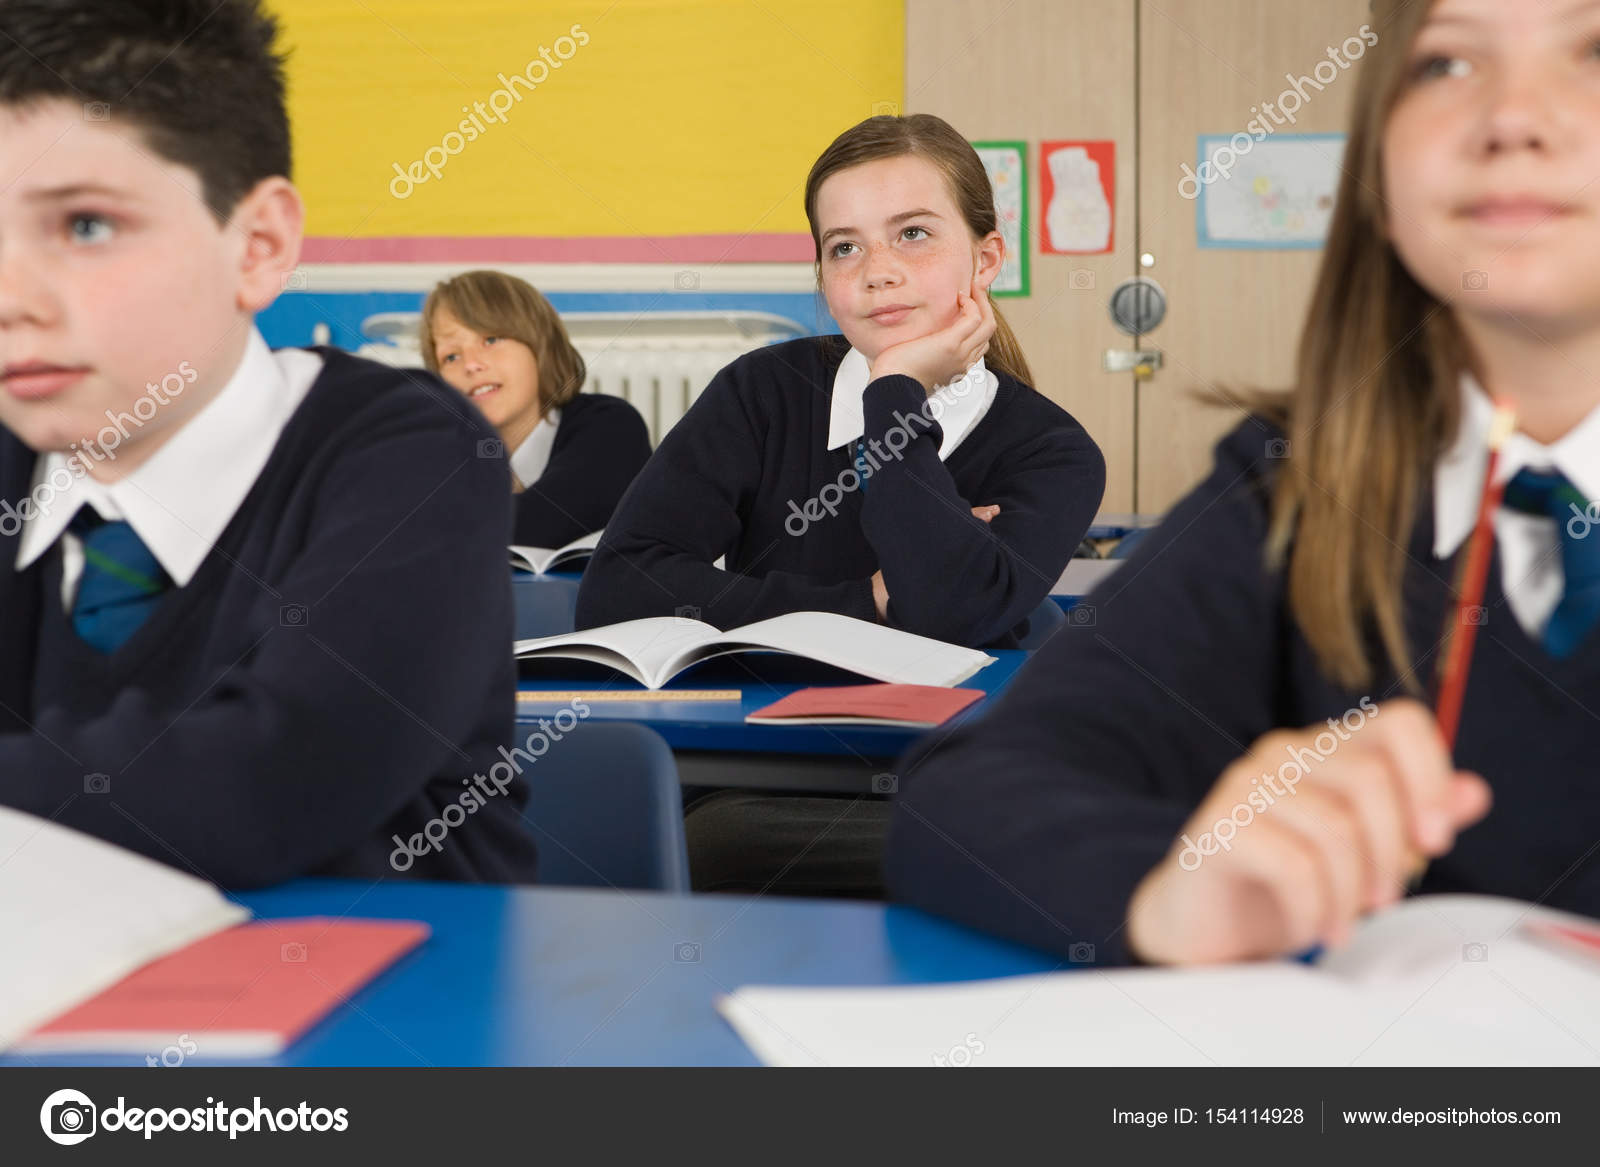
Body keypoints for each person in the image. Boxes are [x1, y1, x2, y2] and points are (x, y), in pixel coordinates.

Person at [886, 0, 1600, 964]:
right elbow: (957, 805)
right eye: (1446, 64)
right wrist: (1174, 884)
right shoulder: (1298, 486)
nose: (1515, 116)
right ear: (1380, 180)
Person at [0, 0, 540, 886]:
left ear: (258, 245)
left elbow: (273, 775)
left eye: (85, 226)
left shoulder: (411, 453)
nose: (11, 296)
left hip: (401, 1002)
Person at [576, 113, 1105, 650]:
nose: (878, 271)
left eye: (913, 233)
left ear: (986, 259)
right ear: (823, 275)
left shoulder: (1055, 453)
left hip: (955, 732)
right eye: (844, 248)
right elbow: (615, 592)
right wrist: (863, 602)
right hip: (756, 726)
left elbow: (949, 612)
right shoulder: (762, 390)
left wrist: (895, 386)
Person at [421, 271, 651, 548]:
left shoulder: (611, 426)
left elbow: (543, 523)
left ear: (540, 345)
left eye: (491, 340)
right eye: (451, 356)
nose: (471, 364)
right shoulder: (438, 452)